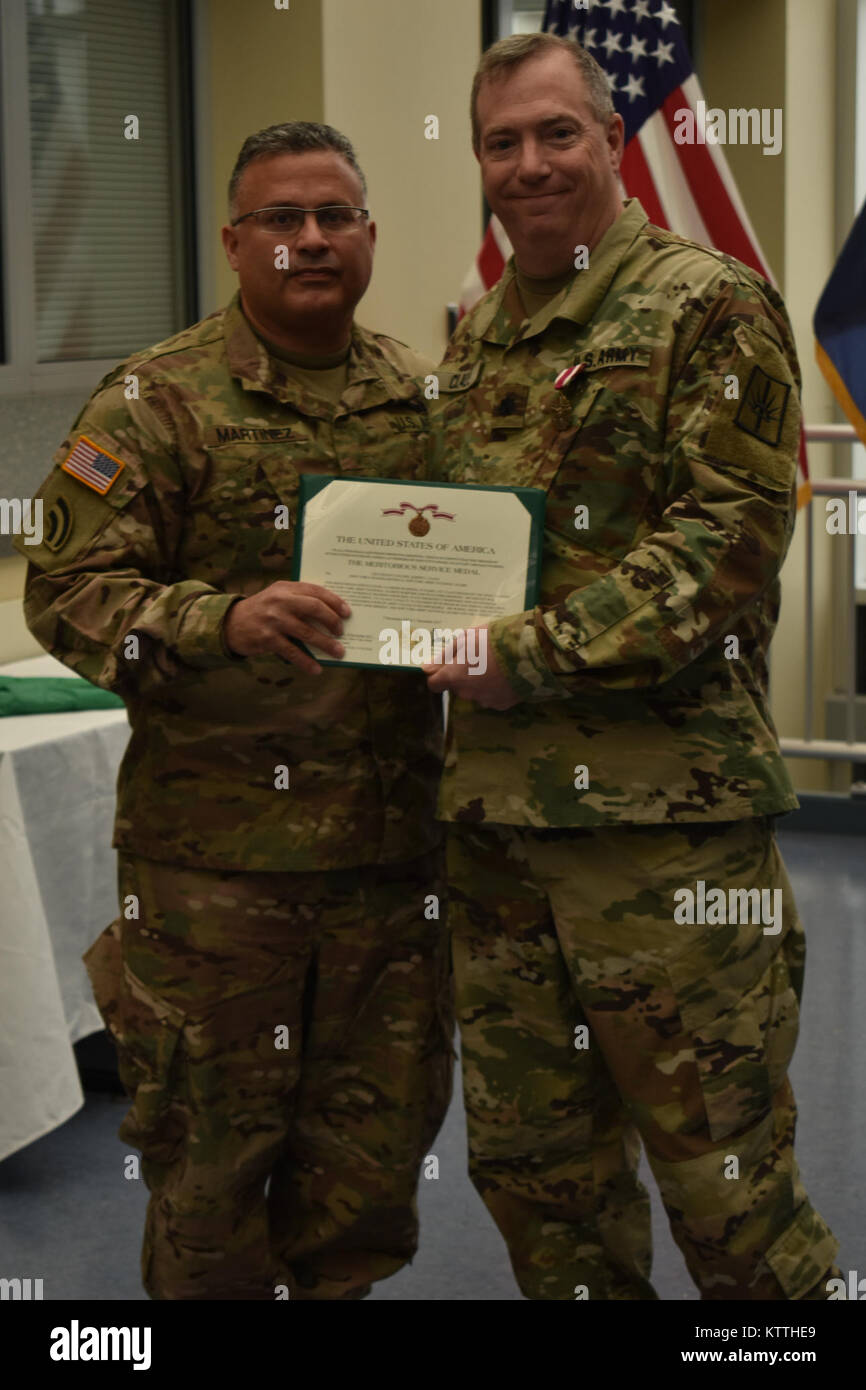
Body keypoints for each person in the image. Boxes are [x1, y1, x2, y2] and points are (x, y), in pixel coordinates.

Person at [423, 32, 841, 1301]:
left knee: (725, 1188)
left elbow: (725, 543)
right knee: (541, 1183)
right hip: (497, 835)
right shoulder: (483, 329)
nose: (530, 162)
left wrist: (528, 657)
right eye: (503, 141)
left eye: (558, 133)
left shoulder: (702, 302)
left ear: (612, 140)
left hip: (662, 837)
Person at [15, 121, 453, 1301]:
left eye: (334, 217)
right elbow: (66, 593)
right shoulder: (156, 402)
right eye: (281, 219)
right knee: (210, 1177)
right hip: (217, 878)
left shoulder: (421, 398)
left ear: (368, 234)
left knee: (364, 1173)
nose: (309, 241)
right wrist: (219, 619)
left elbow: (480, 570)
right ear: (232, 240)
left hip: (386, 861)